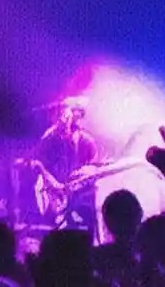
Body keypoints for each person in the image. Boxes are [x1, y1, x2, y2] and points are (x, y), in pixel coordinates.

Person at [28, 97, 100, 230]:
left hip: (77, 188)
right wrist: (53, 183)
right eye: (60, 116)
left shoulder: (86, 140)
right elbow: (37, 162)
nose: (63, 120)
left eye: (66, 116)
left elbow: (93, 166)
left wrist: (83, 176)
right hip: (53, 187)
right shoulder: (49, 137)